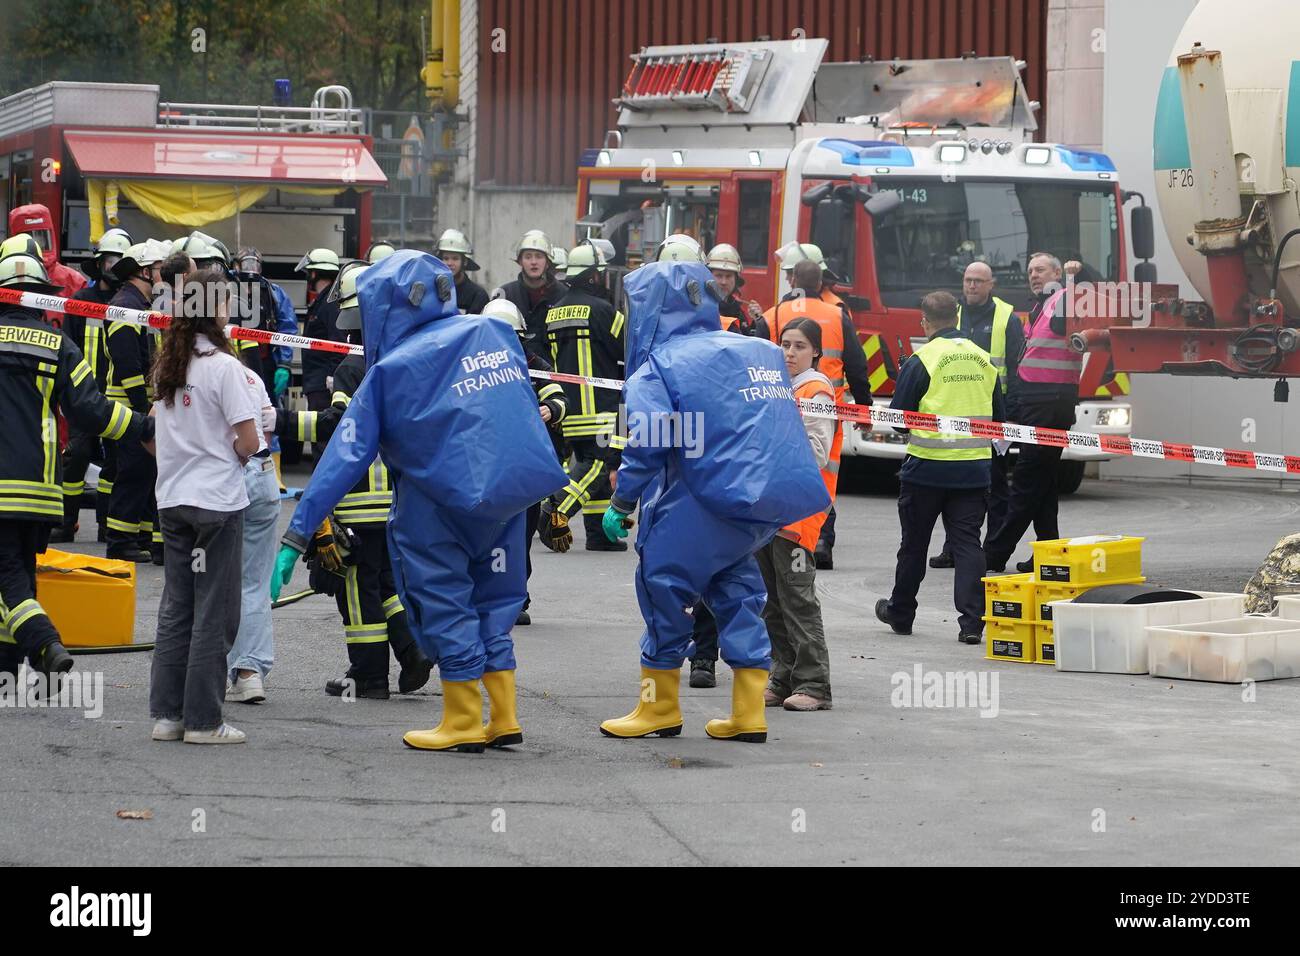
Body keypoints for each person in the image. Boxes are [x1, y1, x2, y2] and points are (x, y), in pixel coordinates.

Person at [271, 251, 568, 752]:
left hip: (437, 509)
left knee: (447, 604)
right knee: (496, 606)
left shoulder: (390, 369)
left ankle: (463, 719)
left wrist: (298, 532)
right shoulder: (493, 335)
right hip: (508, 504)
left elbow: (346, 454)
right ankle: (504, 716)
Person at [599, 261, 828, 743]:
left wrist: (621, 504)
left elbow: (648, 442)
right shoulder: (758, 351)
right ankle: (748, 714)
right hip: (752, 509)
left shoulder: (660, 365)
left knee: (664, 590)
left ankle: (658, 708)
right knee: (740, 595)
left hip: (692, 503)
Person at [273, 261, 432, 699]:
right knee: (385, 583)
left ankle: (370, 678)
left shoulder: (352, 368)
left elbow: (339, 427)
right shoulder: (412, 360)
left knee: (359, 594)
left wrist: (281, 421)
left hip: (359, 503)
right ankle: (412, 650)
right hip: (403, 505)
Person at [0, 234, 153, 680]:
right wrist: (144, 427)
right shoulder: (56, 344)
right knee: (20, 576)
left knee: (8, 577)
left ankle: (46, 644)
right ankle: (11, 670)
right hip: (42, 490)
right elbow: (92, 409)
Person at [149, 264, 260, 744]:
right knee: (215, 611)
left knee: (178, 609)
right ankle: (204, 721)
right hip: (216, 501)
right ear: (216, 308)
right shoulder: (224, 367)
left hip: (173, 500)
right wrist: (230, 453)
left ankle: (167, 716)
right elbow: (250, 440)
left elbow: (149, 437)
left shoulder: (169, 365)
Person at [875, 291, 1003, 644]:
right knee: (967, 545)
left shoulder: (922, 360)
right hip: (974, 470)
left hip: (927, 471)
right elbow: (1000, 419)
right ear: (957, 317)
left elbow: (900, 420)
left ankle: (900, 614)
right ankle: (973, 624)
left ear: (924, 321)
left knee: (914, 544)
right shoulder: (984, 360)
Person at [766, 258, 872, 571]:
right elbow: (856, 364)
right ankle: (820, 540)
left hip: (781, 403)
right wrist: (863, 409)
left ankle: (788, 539)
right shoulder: (838, 315)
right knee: (824, 476)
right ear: (821, 283)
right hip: (828, 407)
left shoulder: (775, 314)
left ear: (793, 280)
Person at [984, 253, 1081, 574]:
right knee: (1043, 482)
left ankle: (994, 554)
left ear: (1056, 271)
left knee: (1026, 480)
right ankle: (1048, 553)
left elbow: (1062, 325)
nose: (1033, 275)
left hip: (1050, 402)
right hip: (1036, 401)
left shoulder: (1067, 296)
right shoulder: (1041, 305)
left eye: (1040, 270)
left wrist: (1069, 280)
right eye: (1029, 271)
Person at [762, 317, 837, 711]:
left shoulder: (815, 390)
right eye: (785, 344)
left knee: (797, 598)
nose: (790, 352)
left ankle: (814, 684)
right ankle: (783, 674)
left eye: (799, 346)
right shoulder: (780, 385)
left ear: (816, 352)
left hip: (798, 512)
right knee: (771, 600)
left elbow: (816, 452)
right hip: (771, 509)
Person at [930, 260, 1025, 569]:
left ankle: (992, 551)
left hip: (992, 415)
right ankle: (953, 549)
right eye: (968, 280)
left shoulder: (1006, 318)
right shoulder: (952, 313)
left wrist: (1008, 418)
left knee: (995, 485)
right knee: (954, 486)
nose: (971, 285)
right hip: (954, 413)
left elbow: (1017, 369)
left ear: (990, 285)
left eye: (978, 281)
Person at [482, 298, 568, 626]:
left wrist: (552, 408)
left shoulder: (534, 364)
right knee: (487, 534)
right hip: (487, 467)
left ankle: (517, 597)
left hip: (523, 470)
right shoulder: (474, 365)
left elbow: (559, 394)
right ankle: (487, 593)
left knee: (521, 536)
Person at [537, 240, 626, 553]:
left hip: (569, 410)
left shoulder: (553, 313)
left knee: (591, 468)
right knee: (597, 465)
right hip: (602, 408)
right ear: (593, 276)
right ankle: (555, 511)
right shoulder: (604, 311)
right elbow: (627, 349)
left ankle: (600, 534)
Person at [52, 227, 133, 544]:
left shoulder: (128, 303)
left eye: (118, 262)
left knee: (114, 464)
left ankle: (105, 524)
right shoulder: (81, 301)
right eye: (108, 261)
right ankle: (66, 522)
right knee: (77, 457)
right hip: (82, 395)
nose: (112, 268)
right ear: (99, 264)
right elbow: (66, 345)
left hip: (116, 395)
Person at [225, 305, 282, 707]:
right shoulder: (248, 375)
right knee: (253, 582)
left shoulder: (195, 374)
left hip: (226, 475)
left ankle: (209, 670)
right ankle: (250, 674)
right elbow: (266, 423)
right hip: (263, 474)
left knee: (208, 581)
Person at [104, 240, 168, 563]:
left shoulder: (140, 306)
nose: (162, 277)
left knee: (144, 472)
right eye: (158, 270)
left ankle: (139, 536)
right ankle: (119, 541)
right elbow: (129, 365)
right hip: (128, 409)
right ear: (145, 270)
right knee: (131, 474)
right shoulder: (126, 307)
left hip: (138, 407)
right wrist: (143, 411)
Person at [231, 247, 298, 490]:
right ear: (235, 266)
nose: (250, 270)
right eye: (245, 265)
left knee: (269, 416)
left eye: (254, 265)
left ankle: (273, 473)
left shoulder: (273, 293)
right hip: (233, 362)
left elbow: (287, 329)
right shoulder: (226, 291)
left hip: (266, 365)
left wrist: (284, 364)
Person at [494, 230, 568, 360]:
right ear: (520, 261)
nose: (533, 262)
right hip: (514, 369)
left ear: (548, 261)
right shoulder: (505, 295)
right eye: (528, 256)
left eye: (539, 256)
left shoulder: (564, 295)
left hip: (553, 373)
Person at [7, 205, 86, 311]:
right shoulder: (7, 278)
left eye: (41, 239)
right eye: (29, 241)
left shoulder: (74, 281)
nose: (36, 248)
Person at [297, 248, 342, 413]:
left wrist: (333, 375)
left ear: (314, 274)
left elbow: (338, 341)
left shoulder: (330, 303)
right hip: (317, 382)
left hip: (323, 385)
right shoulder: (323, 301)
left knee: (322, 434)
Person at [706, 243, 768, 338]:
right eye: (719, 275)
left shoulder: (736, 310)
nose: (724, 282)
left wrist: (758, 322)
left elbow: (748, 343)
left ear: (736, 279)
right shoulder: (701, 308)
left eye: (728, 276)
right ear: (708, 276)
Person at [436, 228, 490, 315]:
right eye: (446, 258)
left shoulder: (477, 295)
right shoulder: (432, 289)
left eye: (455, 258)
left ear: (464, 262)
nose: (449, 263)